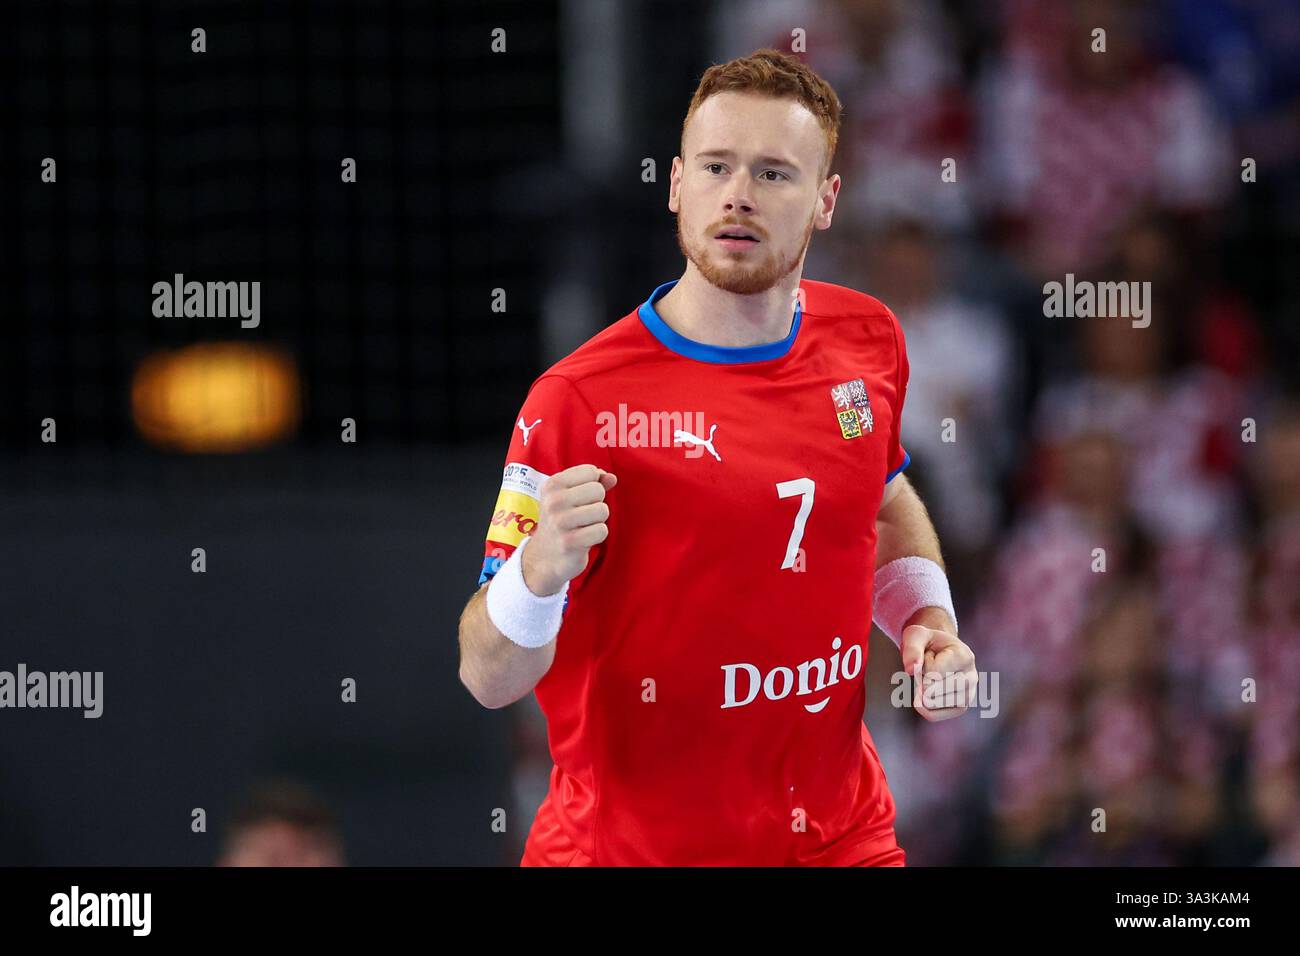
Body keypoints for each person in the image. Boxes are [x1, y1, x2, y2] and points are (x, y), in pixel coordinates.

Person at [457, 48, 975, 866]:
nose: (738, 194)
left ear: (825, 201)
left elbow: (877, 494)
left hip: (841, 840)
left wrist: (925, 622)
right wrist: (535, 576)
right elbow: (487, 676)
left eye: (774, 174)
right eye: (716, 166)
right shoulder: (577, 401)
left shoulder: (867, 337)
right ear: (675, 185)